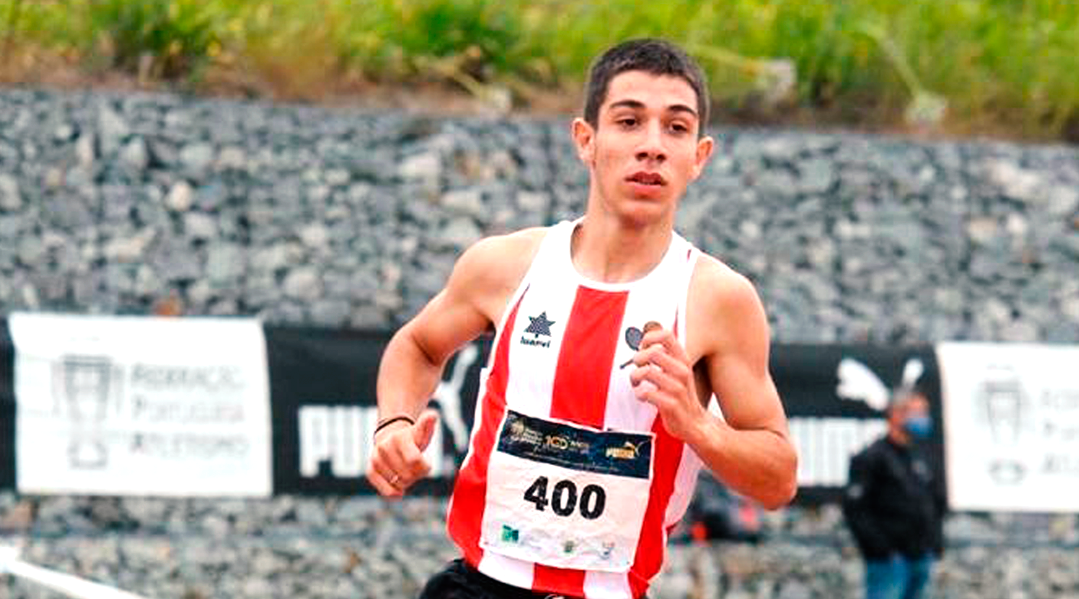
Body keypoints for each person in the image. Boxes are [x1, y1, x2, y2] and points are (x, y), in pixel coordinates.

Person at [367, 38, 798, 599]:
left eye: (675, 128)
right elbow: (419, 347)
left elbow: (778, 479)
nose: (652, 147)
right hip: (480, 585)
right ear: (586, 140)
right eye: (628, 121)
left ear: (700, 156)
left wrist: (697, 425)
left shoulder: (716, 299)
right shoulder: (507, 264)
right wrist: (393, 424)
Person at [842, 389, 946, 599]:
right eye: (917, 412)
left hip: (920, 555)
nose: (923, 419)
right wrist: (881, 549)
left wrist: (933, 543)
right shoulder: (872, 457)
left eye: (924, 413)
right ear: (896, 414)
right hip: (889, 561)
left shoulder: (921, 455)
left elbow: (936, 501)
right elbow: (855, 509)